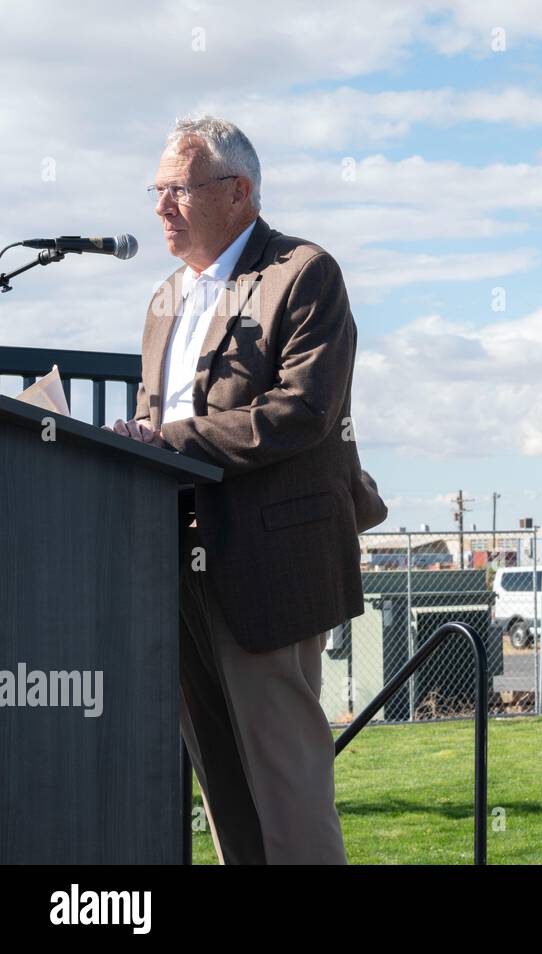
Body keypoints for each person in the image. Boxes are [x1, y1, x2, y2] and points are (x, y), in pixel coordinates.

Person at [109, 115, 387, 864]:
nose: (161, 206)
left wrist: (162, 440)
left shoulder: (303, 272)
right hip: (177, 565)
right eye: (156, 190)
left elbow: (301, 414)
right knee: (224, 792)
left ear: (238, 192)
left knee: (287, 791)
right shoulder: (166, 298)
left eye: (177, 189)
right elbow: (151, 414)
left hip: (268, 568)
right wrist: (130, 440)